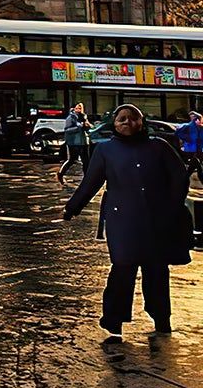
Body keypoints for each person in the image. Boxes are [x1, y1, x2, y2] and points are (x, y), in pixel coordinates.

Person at [63, 103, 191, 337]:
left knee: (156, 270)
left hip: (156, 220)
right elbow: (91, 182)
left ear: (142, 122)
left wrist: (171, 205)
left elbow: (179, 177)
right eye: (122, 119)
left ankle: (161, 317)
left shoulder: (159, 147)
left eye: (133, 118)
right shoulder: (105, 150)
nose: (127, 123)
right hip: (122, 220)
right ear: (114, 123)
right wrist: (73, 207)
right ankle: (114, 320)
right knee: (122, 268)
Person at [59, 102, 93, 183]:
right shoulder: (71, 117)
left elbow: (89, 128)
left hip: (84, 142)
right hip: (73, 142)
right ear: (73, 108)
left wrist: (87, 126)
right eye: (77, 108)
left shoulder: (84, 117)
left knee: (86, 161)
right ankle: (60, 174)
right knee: (72, 160)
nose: (79, 110)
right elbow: (67, 130)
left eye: (80, 108)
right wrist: (78, 127)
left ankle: (86, 179)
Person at [174, 111, 203, 184]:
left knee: (193, 168)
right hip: (193, 151)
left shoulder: (199, 127)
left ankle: (182, 181)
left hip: (198, 151)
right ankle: (182, 182)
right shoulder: (188, 126)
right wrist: (187, 139)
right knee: (196, 168)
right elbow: (178, 133)